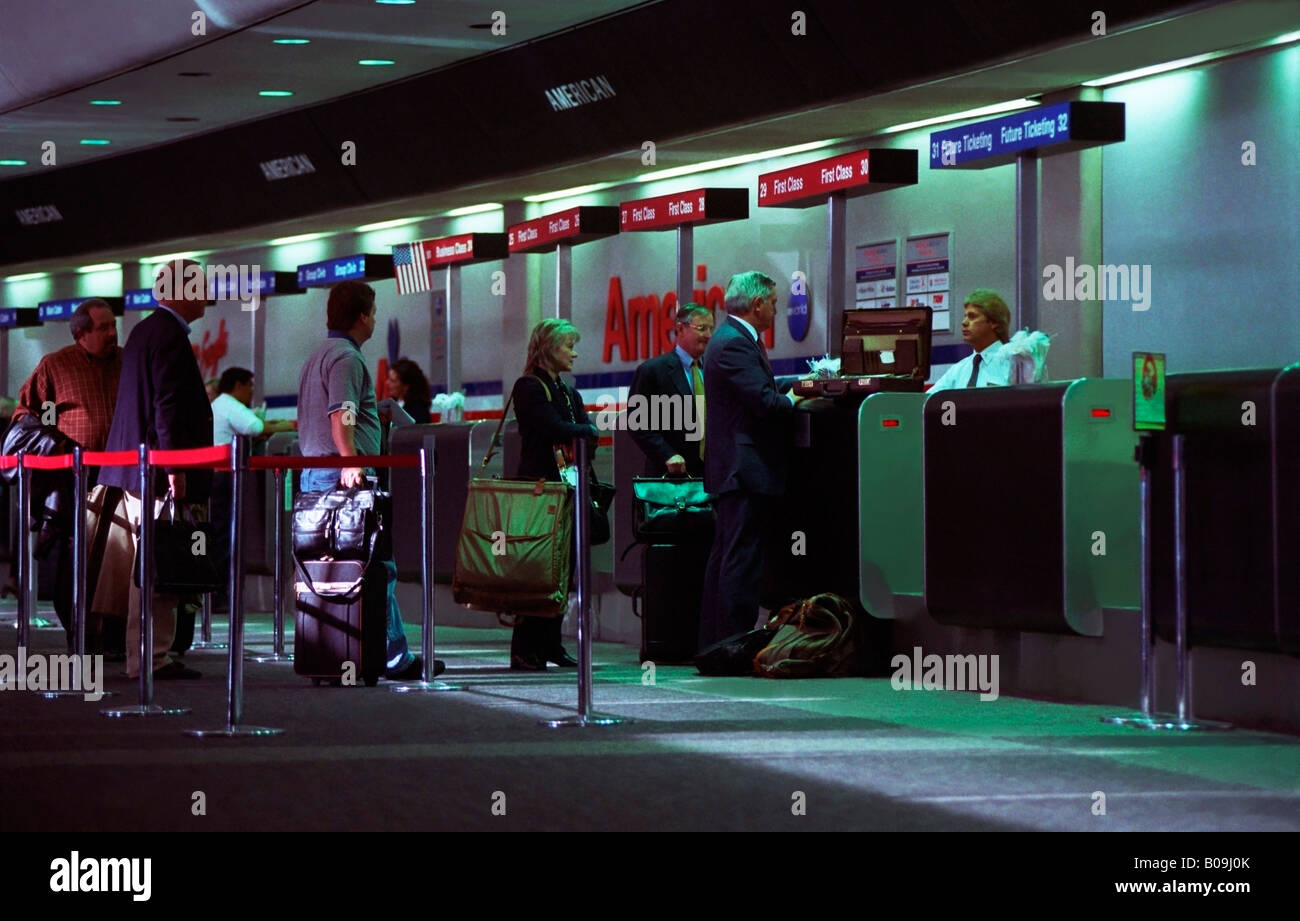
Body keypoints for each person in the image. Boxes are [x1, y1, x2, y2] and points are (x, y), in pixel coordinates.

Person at [297, 280, 435, 681]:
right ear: (361, 316)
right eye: (373, 312)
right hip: (343, 476)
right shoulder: (347, 357)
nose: (375, 319)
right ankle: (391, 655)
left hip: (316, 474)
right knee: (374, 564)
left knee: (326, 570)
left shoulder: (318, 355)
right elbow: (343, 413)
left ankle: (332, 651)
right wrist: (352, 460)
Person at [98, 262, 214, 680]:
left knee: (143, 565)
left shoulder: (144, 331)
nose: (207, 294)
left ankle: (142, 655)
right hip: (157, 470)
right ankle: (153, 656)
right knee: (160, 562)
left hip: (133, 467)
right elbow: (167, 406)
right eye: (200, 287)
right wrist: (174, 467)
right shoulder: (169, 336)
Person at [698, 271, 801, 649]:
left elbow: (757, 387)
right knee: (740, 560)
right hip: (744, 470)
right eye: (774, 302)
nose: (777, 309)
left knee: (727, 555)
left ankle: (716, 642)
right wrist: (794, 399)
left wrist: (795, 382)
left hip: (733, 470)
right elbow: (766, 404)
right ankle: (733, 642)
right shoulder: (735, 344)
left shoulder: (730, 339)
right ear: (757, 304)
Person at [10, 298, 122, 647]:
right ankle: (81, 633)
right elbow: (32, 419)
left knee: (117, 559)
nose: (112, 332)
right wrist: (59, 445)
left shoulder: (128, 362)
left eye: (112, 325)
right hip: (75, 478)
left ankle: (114, 636)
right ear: (81, 334)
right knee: (73, 558)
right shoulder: (56, 368)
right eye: (103, 327)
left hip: (123, 475)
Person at [507, 318, 596, 670]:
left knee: (562, 570)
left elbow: (578, 430)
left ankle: (550, 643)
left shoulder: (568, 392)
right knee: (535, 570)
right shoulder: (529, 386)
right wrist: (584, 430)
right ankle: (525, 646)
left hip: (566, 489)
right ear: (547, 350)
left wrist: (582, 430)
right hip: (540, 490)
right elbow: (554, 428)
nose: (574, 353)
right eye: (567, 346)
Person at [209, 366, 294, 610]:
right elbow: (256, 428)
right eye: (250, 387)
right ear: (238, 385)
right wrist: (287, 426)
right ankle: (222, 596)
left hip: (214, 477)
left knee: (216, 536)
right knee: (226, 536)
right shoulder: (230, 405)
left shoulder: (219, 404)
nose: (251, 393)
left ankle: (216, 596)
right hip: (224, 479)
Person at [628, 303, 713, 477]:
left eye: (711, 329)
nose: (708, 335)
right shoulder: (653, 371)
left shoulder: (713, 370)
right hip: (670, 477)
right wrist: (667, 454)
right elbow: (637, 423)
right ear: (681, 329)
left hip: (711, 475)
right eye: (702, 328)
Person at [927, 289, 1012, 393]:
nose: (964, 322)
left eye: (972, 316)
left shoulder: (1012, 364)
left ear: (993, 322)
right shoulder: (958, 370)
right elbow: (926, 401)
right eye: (965, 316)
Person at [386, 359, 432, 424]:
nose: (387, 383)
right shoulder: (390, 405)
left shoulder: (418, 411)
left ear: (406, 386)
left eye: (393, 381)